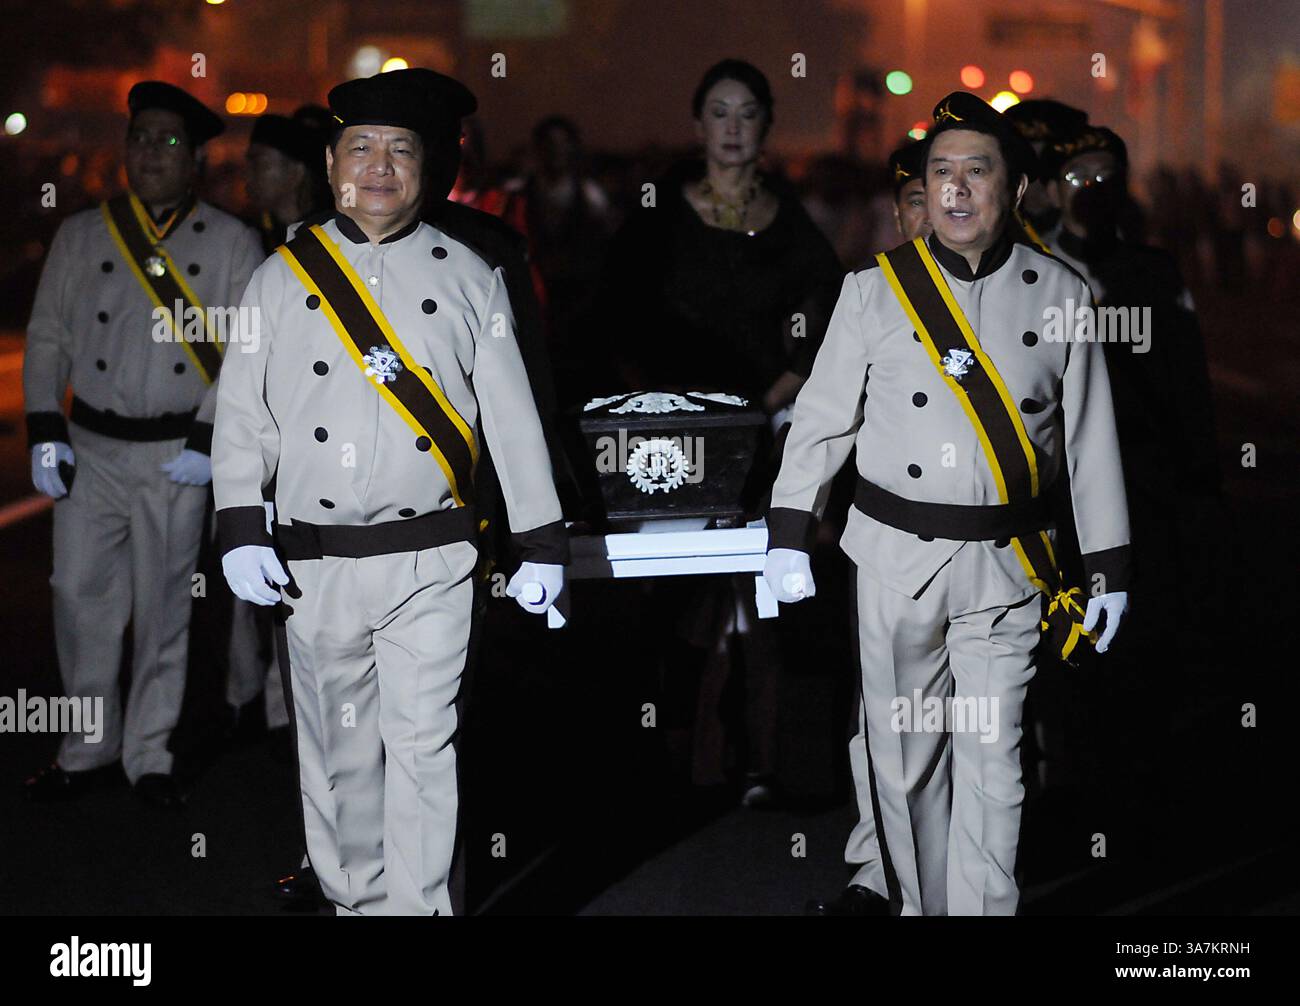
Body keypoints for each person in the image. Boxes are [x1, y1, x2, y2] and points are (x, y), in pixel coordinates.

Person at [212, 68, 568, 916]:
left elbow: (515, 423)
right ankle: (352, 900)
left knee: (422, 749)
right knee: (339, 760)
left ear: (430, 170)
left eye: (400, 152)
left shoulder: (474, 278)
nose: (379, 167)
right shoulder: (279, 275)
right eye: (361, 148)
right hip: (315, 563)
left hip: (433, 559)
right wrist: (237, 523)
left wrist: (543, 539)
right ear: (331, 161)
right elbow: (242, 414)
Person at [766, 92, 1132, 916]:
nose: (956, 190)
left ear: (1017, 187)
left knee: (994, 759)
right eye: (941, 174)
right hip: (896, 563)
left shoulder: (1064, 293)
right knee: (903, 758)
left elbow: (1092, 447)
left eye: (977, 171)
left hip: (1010, 569)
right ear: (922, 192)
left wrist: (1109, 568)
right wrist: (789, 532)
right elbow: (822, 422)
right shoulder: (873, 290)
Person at [597, 59, 843, 805]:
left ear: (766, 125)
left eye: (748, 113)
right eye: (719, 112)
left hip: (762, 433)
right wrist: (655, 404)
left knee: (762, 596)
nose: (733, 128)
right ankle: (673, 758)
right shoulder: (657, 213)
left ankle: (759, 763)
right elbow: (616, 313)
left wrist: (773, 402)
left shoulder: (791, 221)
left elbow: (826, 321)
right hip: (669, 440)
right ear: (698, 122)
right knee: (671, 601)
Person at [22, 81, 263, 809]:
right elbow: (49, 335)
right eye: (139, 139)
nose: (150, 154)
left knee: (165, 606)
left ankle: (149, 752)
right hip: (93, 445)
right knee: (77, 595)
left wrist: (207, 437)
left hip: (173, 454)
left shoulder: (231, 243)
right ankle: (87, 746)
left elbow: (247, 354)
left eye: (167, 142)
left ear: (194, 158)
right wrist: (43, 426)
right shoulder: (83, 233)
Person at [809, 136, 934, 916]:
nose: (935, 212)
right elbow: (827, 420)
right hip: (889, 539)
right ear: (896, 211)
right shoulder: (871, 292)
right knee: (879, 714)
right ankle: (874, 868)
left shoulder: (1026, 292)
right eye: (918, 198)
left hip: (995, 546)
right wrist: (804, 519)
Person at [1042, 125, 1222, 660]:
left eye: (1105, 175)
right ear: (1052, 190)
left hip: (1146, 476)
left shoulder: (1154, 273)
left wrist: (1201, 480)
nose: (1091, 186)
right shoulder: (1035, 272)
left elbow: (1189, 381)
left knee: (1143, 634)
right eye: (1076, 175)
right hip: (1057, 485)